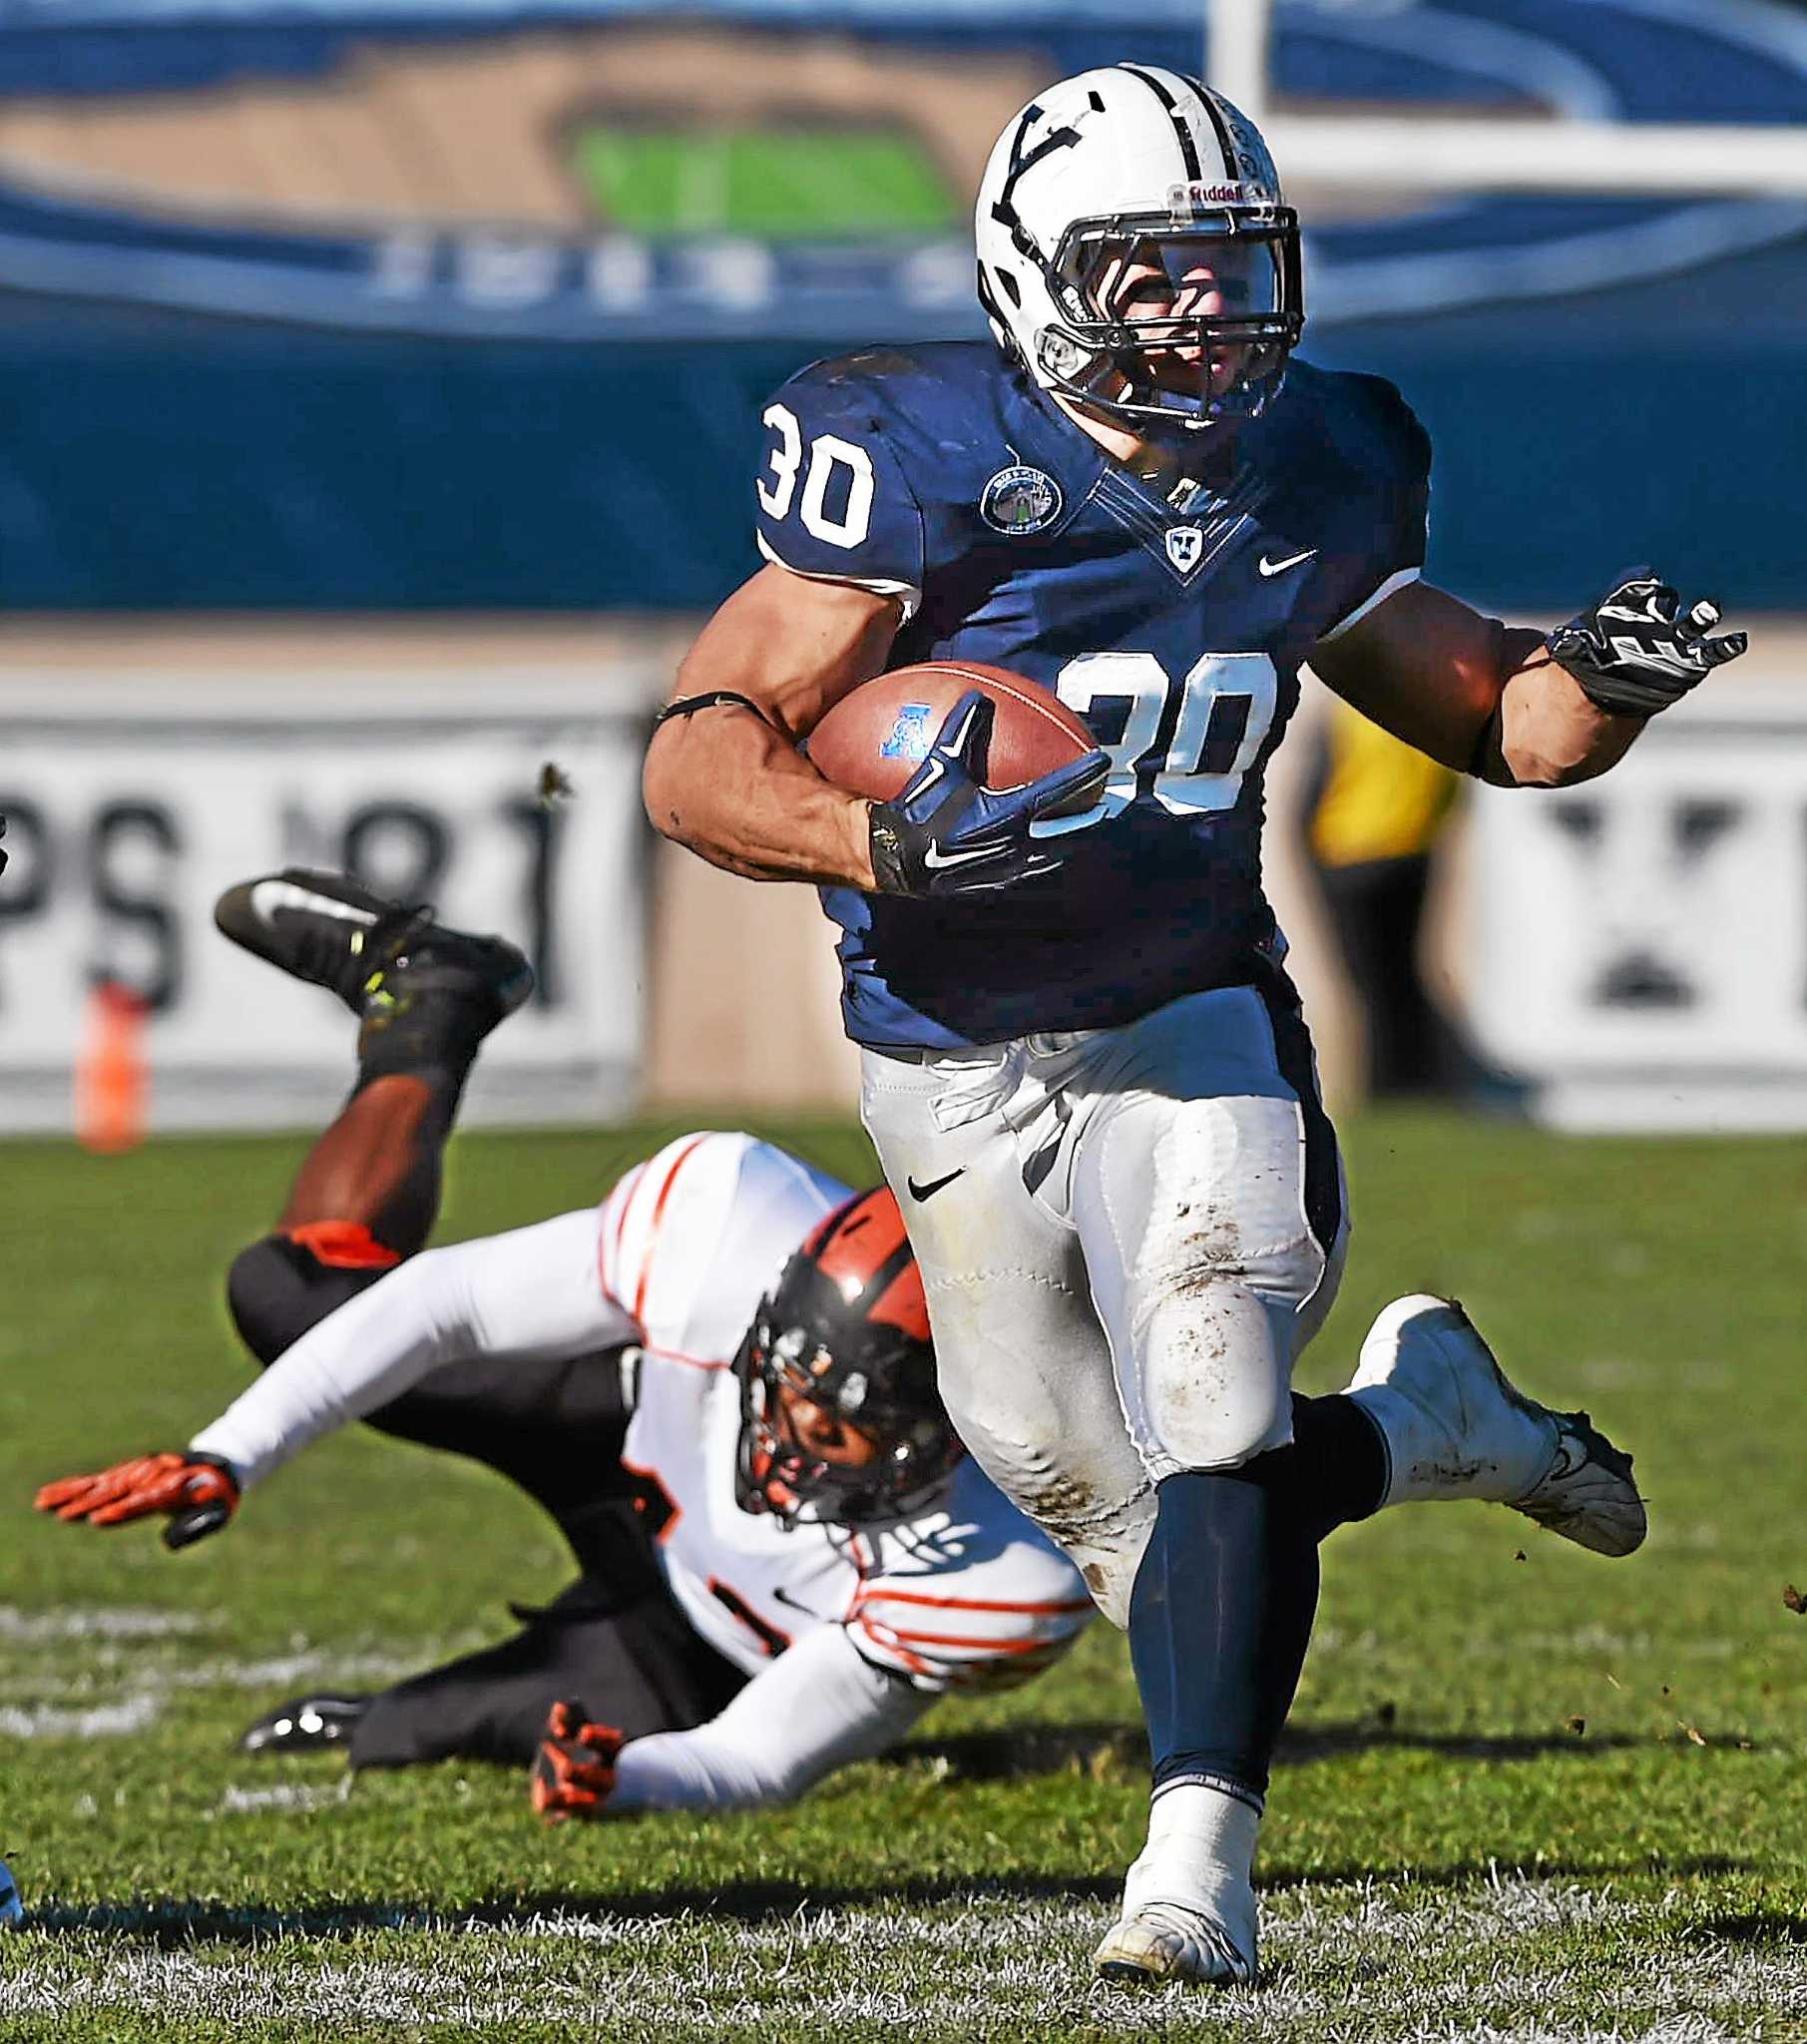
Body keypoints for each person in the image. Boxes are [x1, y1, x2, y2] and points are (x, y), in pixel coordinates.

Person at [639, 64, 1730, 1987]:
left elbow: (1502, 721)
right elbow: (697, 754)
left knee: (1216, 1366)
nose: (1209, 316)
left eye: (1232, 270)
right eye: (1154, 278)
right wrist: (872, 835)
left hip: (1187, 1002)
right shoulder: (907, 451)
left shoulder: (1320, 455)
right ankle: (1427, 1429)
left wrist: (1609, 679)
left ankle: (1194, 1870)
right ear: (1037, 277)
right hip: (944, 1039)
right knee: (1081, 1482)